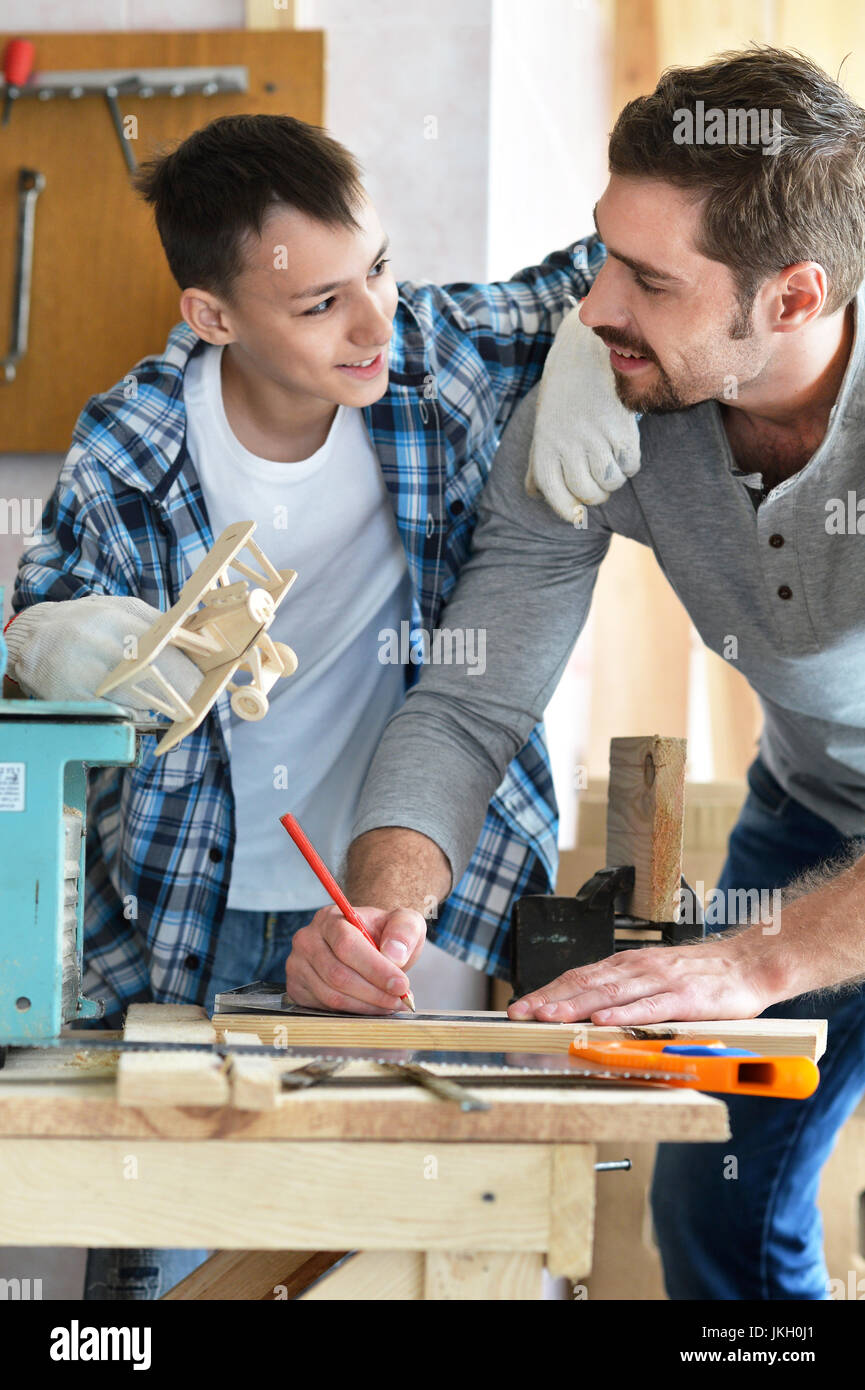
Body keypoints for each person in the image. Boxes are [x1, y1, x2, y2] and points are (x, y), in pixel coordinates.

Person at [4, 113, 618, 1297]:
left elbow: (626, 259)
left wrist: (598, 342)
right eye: (321, 302)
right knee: (159, 1276)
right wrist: (67, 644)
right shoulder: (130, 449)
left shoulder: (429, 359)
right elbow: (31, 666)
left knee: (433, 1251)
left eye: (378, 269)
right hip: (188, 903)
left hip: (405, 903)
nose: (374, 322)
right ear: (214, 317)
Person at [333, 47, 865, 1300]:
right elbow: (471, 704)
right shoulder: (602, 401)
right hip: (815, 814)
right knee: (716, 1208)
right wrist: (382, 904)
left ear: (793, 297)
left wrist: (754, 963)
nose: (591, 308)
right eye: (600, 254)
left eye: (647, 277)